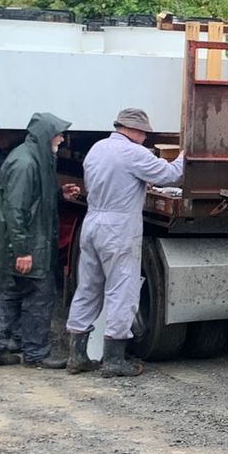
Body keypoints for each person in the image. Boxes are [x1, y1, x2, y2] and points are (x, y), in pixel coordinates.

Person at [65, 107, 183, 379]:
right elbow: (170, 176)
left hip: (92, 221)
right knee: (122, 288)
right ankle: (114, 359)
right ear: (135, 131)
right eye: (144, 133)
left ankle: (77, 356)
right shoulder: (134, 153)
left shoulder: (97, 148)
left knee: (88, 288)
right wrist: (186, 157)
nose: (145, 138)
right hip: (118, 228)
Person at [0, 111, 76, 368]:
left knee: (12, 294)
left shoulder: (34, 158)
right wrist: (23, 251)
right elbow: (16, 210)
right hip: (25, 246)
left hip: (18, 245)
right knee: (40, 295)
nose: (62, 139)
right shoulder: (27, 163)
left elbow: (31, 201)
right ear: (46, 135)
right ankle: (36, 354)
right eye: (58, 134)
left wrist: (59, 195)